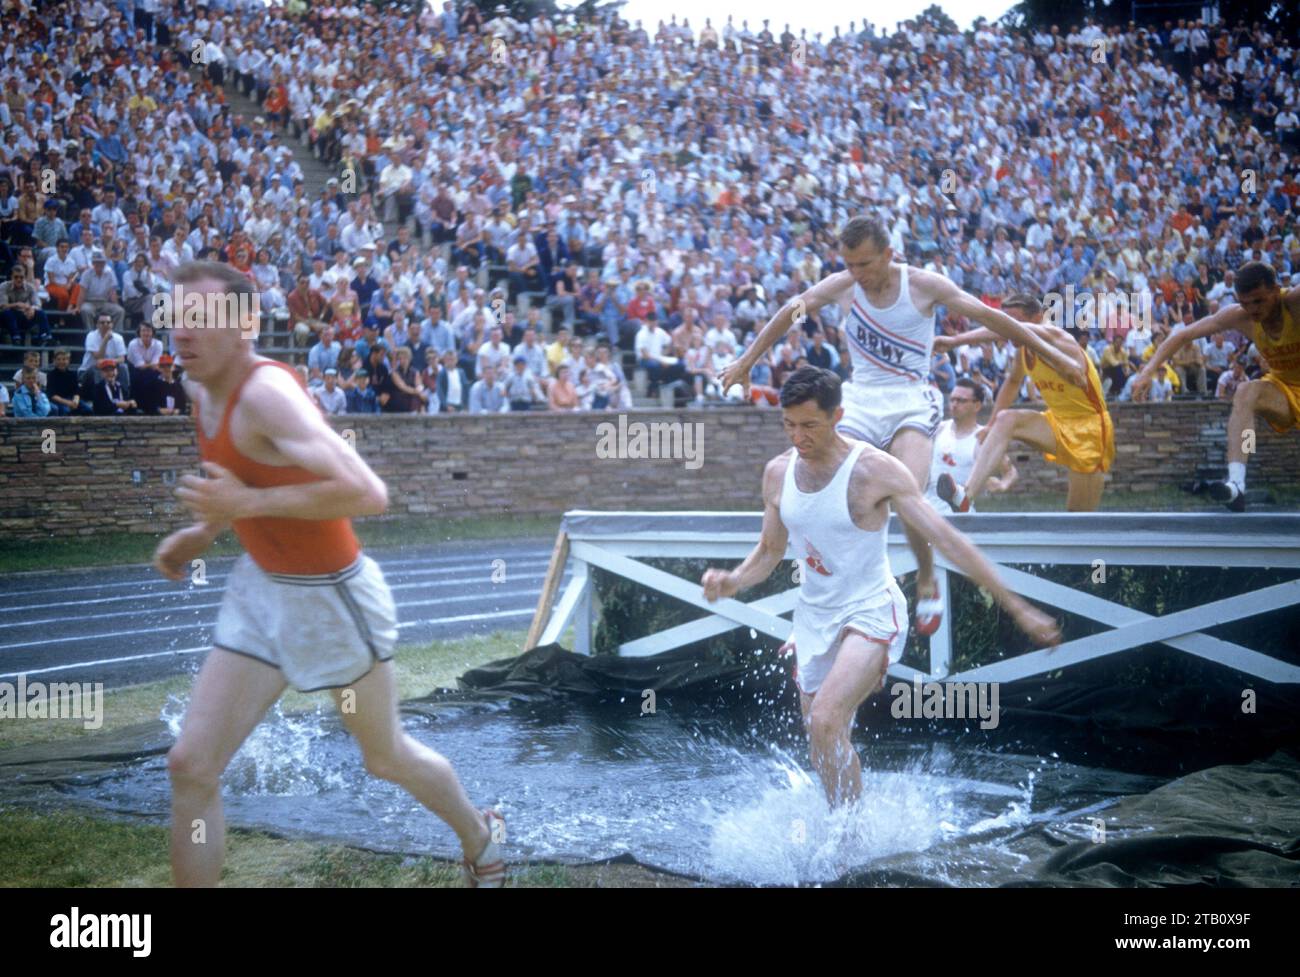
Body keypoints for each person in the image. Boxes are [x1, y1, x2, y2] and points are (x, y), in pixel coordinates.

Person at [151, 261, 504, 888]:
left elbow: (367, 492)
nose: (182, 331)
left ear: (246, 327)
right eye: (178, 315)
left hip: (331, 598)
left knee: (384, 755)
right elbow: (240, 484)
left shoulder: (266, 393)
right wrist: (198, 535)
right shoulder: (199, 389)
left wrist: (243, 508)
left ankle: (481, 835)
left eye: (202, 318)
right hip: (261, 590)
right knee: (191, 765)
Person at [700, 366, 1060, 806]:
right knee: (821, 735)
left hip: (871, 609)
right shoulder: (777, 473)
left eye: (809, 425)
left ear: (838, 416)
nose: (798, 437)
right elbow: (770, 550)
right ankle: (845, 822)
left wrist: (1019, 608)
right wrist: (734, 579)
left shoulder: (875, 471)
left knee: (826, 720)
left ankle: (848, 845)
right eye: (789, 425)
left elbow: (947, 538)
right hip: (813, 617)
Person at [722, 216, 1085, 635]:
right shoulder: (842, 286)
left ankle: (927, 579)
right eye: (850, 265)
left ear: (889, 255)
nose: (858, 274)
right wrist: (746, 361)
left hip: (911, 400)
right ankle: (827, 602)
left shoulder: (923, 286)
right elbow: (791, 310)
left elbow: (994, 318)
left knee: (905, 492)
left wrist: (1055, 355)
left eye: (866, 264)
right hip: (859, 401)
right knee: (824, 480)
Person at [1133, 261, 1300, 511]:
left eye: (1259, 301)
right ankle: (1237, 483)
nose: (1253, 310)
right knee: (1246, 392)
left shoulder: (1294, 302)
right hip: (1285, 390)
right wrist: (1147, 371)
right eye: (1246, 303)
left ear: (1276, 290)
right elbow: (1182, 335)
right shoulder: (1239, 316)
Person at [933, 294, 1115, 512]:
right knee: (1006, 419)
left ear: (1038, 317)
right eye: (1006, 320)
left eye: (1015, 321)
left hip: (1091, 429)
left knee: (1078, 518)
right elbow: (1012, 382)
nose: (1008, 328)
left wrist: (955, 340)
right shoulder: (1023, 351)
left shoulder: (1056, 336)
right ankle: (966, 495)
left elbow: (1003, 329)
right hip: (1057, 423)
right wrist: (990, 426)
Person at [923, 379, 1017, 513]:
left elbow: (1011, 472)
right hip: (926, 511)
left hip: (961, 516)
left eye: (961, 401)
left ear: (977, 406)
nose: (954, 404)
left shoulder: (983, 439)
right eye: (952, 399)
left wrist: (1002, 485)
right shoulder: (939, 429)